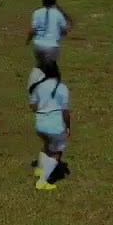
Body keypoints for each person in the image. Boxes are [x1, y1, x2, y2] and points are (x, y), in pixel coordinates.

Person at [29, 60, 70, 191]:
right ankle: (42, 181)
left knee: (47, 145)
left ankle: (40, 169)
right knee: (56, 152)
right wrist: (68, 126)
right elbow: (65, 111)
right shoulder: (62, 87)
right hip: (55, 125)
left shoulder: (38, 87)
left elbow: (32, 106)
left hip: (40, 124)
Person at [28, 0, 70, 67]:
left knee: (41, 66)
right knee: (51, 69)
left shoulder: (37, 12)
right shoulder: (58, 14)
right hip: (52, 47)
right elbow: (64, 30)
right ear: (54, 1)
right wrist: (61, 37)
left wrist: (28, 40)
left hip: (39, 46)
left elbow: (33, 30)